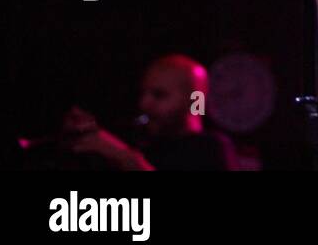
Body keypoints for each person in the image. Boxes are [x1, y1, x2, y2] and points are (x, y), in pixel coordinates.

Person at [62, 54, 235, 171]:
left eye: (159, 95)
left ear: (196, 100)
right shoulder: (145, 143)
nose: (144, 103)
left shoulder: (211, 148)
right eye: (143, 93)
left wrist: (129, 160)